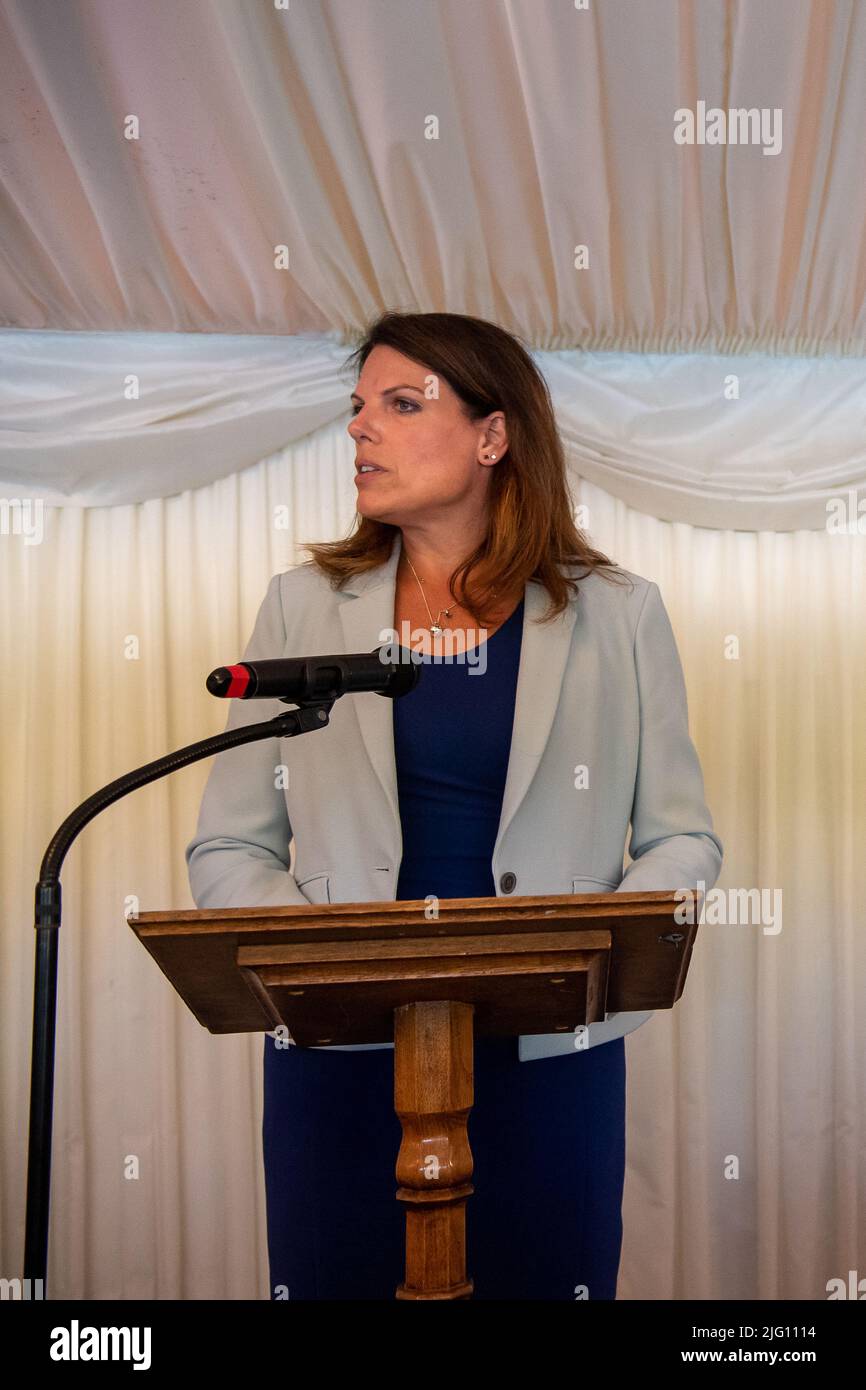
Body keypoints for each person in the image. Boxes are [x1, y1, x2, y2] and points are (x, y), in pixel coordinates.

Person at [186, 310, 723, 1300]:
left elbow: (679, 836)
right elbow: (229, 842)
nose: (359, 429)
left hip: (548, 1057)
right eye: (356, 409)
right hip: (342, 1058)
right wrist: (320, 972)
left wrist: (596, 948)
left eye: (399, 404)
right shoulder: (300, 604)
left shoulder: (619, 612)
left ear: (492, 435)